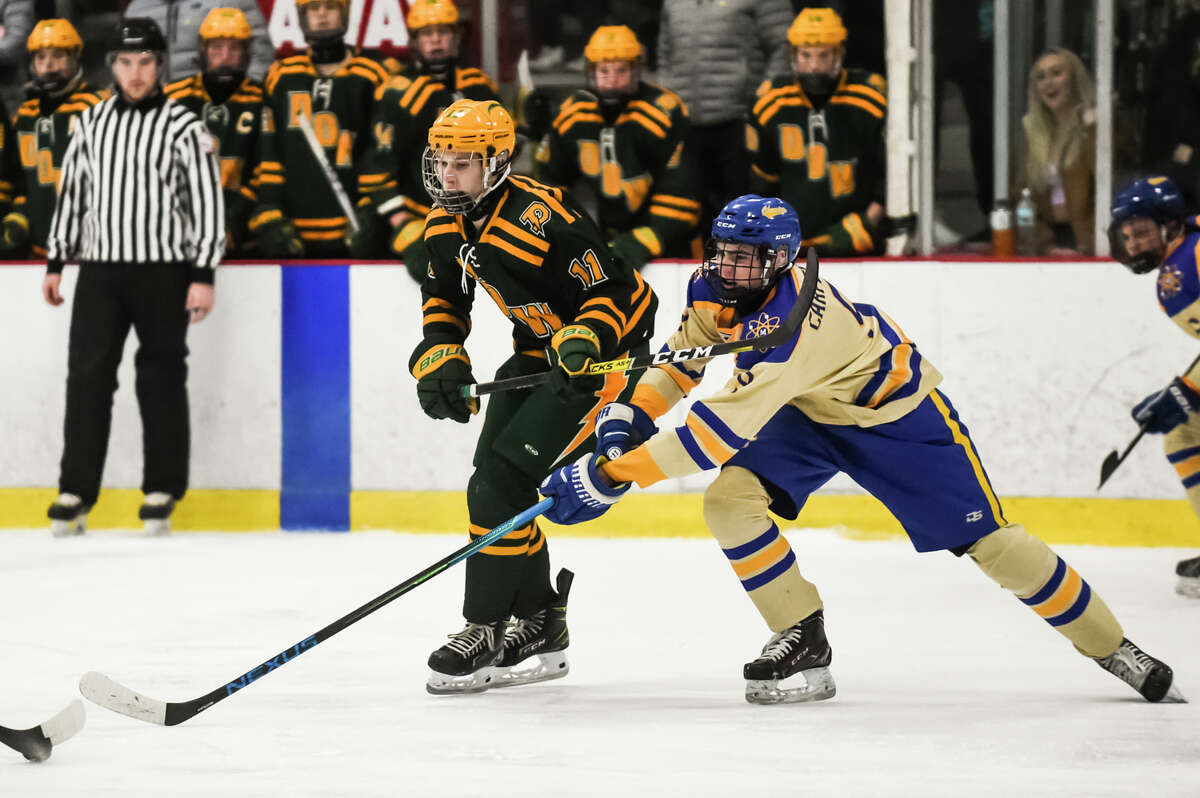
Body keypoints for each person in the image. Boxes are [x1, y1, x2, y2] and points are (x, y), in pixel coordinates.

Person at [540, 194, 1184, 705]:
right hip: (811, 412)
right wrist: (628, 418)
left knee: (993, 544)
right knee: (730, 501)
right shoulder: (715, 289)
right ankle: (802, 634)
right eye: (723, 254)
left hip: (899, 422)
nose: (728, 269)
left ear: (780, 261)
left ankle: (1111, 645)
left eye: (745, 259)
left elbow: (711, 435)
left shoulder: (797, 325)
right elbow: (680, 366)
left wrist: (610, 476)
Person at [411, 98, 657, 694]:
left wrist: (587, 337)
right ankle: (542, 622)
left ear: (496, 162)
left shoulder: (542, 216)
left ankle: (486, 628)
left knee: (497, 483)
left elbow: (613, 289)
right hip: (542, 351)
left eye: (463, 163)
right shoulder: (445, 224)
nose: (448, 175)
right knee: (495, 481)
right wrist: (442, 356)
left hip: (606, 356)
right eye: (441, 161)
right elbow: (444, 301)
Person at [43, 18, 224, 537]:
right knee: (87, 379)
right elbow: (73, 194)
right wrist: (57, 262)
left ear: (160, 64)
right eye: (125, 62)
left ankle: (161, 488)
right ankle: (75, 489)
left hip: (164, 270)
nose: (136, 72)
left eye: (145, 62)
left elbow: (205, 203)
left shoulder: (183, 126)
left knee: (161, 378)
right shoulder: (92, 122)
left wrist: (203, 272)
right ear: (112, 67)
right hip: (99, 271)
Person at [533, 25, 702, 272]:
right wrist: (563, 233)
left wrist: (643, 240)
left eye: (621, 70)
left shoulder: (665, 112)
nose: (611, 79)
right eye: (603, 70)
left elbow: (683, 191)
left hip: (672, 247)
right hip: (608, 242)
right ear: (590, 71)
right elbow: (550, 183)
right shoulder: (572, 114)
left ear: (636, 71)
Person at [353, 0, 499, 274]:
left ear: (456, 37)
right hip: (420, 218)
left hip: (477, 220)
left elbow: (502, 157)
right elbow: (376, 170)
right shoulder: (397, 92)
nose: (436, 41)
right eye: (427, 34)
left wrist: (528, 126)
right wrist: (405, 227)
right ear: (414, 40)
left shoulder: (480, 86)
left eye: (443, 32)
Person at [1108, 175, 1200, 600]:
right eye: (1127, 236)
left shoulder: (1185, 270)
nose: (1134, 245)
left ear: (1172, 225)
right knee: (1185, 431)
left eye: (1142, 232)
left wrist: (1185, 391)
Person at [251, 0, 389, 258]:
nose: (322, 15)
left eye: (330, 7)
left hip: (354, 229)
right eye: (313, 9)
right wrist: (270, 206)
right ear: (303, 18)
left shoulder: (373, 75)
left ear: (344, 14)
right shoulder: (281, 76)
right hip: (293, 230)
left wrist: (372, 209)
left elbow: (381, 152)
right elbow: (269, 151)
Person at [747, 8, 886, 257]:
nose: (814, 66)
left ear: (839, 54)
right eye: (806, 55)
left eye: (823, 55)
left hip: (857, 242)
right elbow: (760, 185)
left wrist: (866, 223)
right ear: (793, 56)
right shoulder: (771, 103)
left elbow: (891, 176)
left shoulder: (870, 99)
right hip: (790, 248)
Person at [657, 0, 792, 222]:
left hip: (740, 119)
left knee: (744, 211)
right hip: (686, 123)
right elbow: (665, 52)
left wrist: (762, 98)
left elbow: (784, 46)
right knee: (691, 212)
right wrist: (668, 96)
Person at [2, 19, 107, 260]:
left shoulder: (98, 106)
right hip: (39, 251)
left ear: (75, 57)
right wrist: (20, 216)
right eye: (40, 58)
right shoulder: (26, 115)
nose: (48, 66)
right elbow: (20, 181)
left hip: (92, 253)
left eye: (57, 56)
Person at [164, 7, 261, 256]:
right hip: (182, 236)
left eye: (234, 48)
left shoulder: (262, 98)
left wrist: (233, 221)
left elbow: (267, 170)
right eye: (216, 48)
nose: (225, 56)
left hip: (243, 235)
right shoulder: (174, 98)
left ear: (246, 53)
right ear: (203, 51)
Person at [1013, 48, 1098, 256]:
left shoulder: (1095, 128)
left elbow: (1109, 193)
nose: (1048, 82)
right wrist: (1045, 246)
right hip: (1047, 244)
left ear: (1074, 80)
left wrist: (1089, 245)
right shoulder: (1032, 133)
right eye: (1041, 77)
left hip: (1088, 242)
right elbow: (1019, 197)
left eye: (1056, 73)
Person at [123, 0, 275, 82]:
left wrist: (244, 99)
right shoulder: (137, 7)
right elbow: (125, 59)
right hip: (159, 112)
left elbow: (260, 55)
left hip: (215, 107)